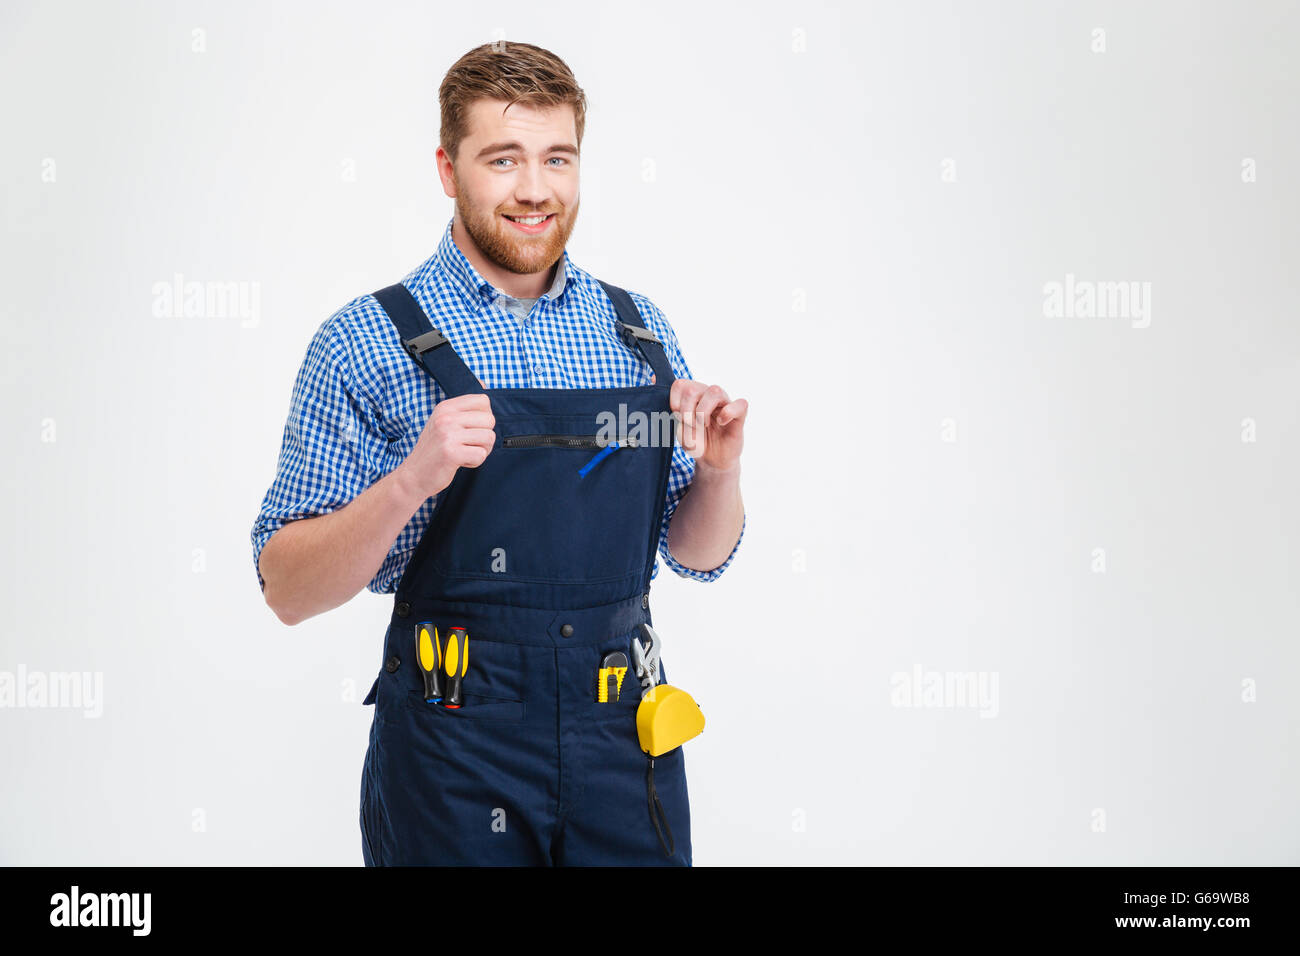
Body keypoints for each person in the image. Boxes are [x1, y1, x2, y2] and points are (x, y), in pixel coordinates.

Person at [250, 41, 746, 866]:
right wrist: (415, 477)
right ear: (448, 169)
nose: (534, 189)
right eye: (502, 159)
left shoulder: (639, 335)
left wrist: (721, 468)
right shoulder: (365, 342)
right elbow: (286, 589)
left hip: (622, 739)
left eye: (557, 158)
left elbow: (699, 556)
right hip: (453, 749)